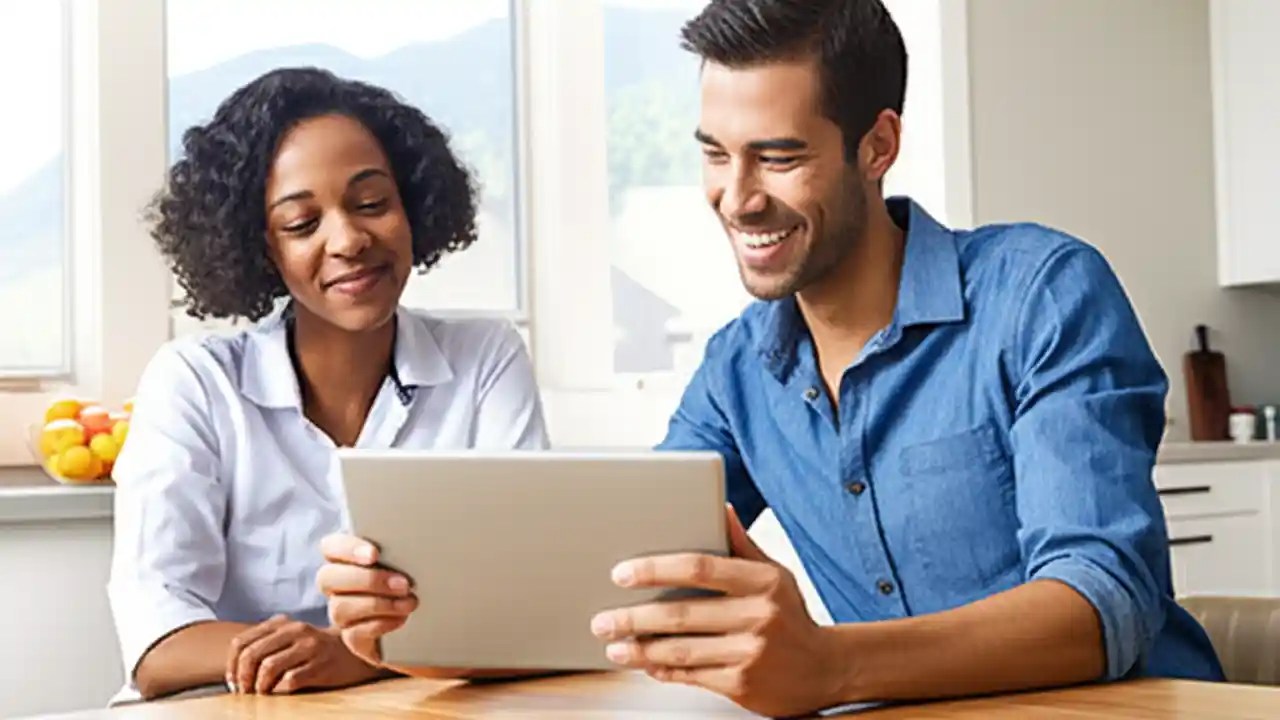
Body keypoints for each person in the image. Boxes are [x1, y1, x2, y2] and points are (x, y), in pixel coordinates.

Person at [316, 0, 1226, 716]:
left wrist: (829, 666)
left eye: (779, 157)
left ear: (877, 146)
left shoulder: (1041, 294)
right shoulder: (740, 368)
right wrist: (411, 628)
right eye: (715, 154)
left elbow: (1101, 599)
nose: (737, 198)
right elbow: (620, 587)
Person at [106, 67, 548, 704]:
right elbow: (157, 644)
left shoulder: (486, 360)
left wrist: (356, 655)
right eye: (301, 223)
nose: (348, 240)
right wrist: (331, 656)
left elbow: (528, 601)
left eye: (371, 204)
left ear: (413, 204)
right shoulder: (197, 383)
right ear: (261, 248)